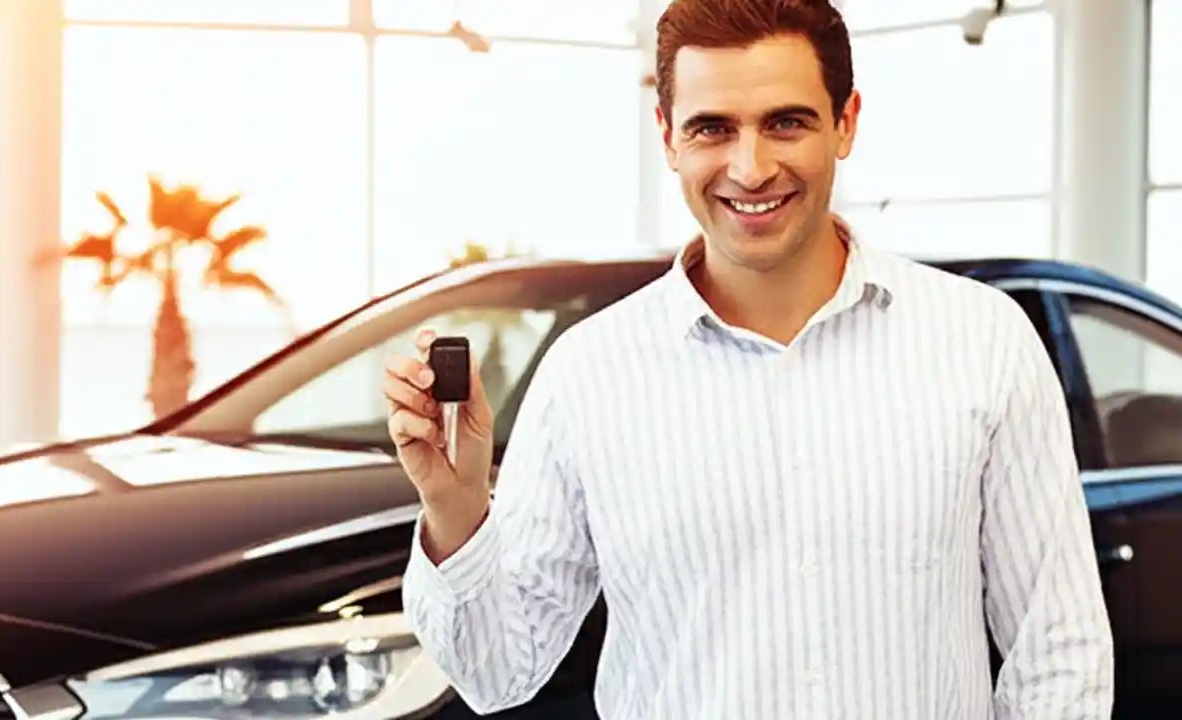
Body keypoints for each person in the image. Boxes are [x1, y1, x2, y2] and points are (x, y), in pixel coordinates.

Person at [382, 0, 1115, 717]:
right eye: (713, 129)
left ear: (846, 123)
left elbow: (1060, 650)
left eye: (786, 123)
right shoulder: (587, 376)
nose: (751, 167)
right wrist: (456, 510)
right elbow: (499, 675)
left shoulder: (983, 341)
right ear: (668, 137)